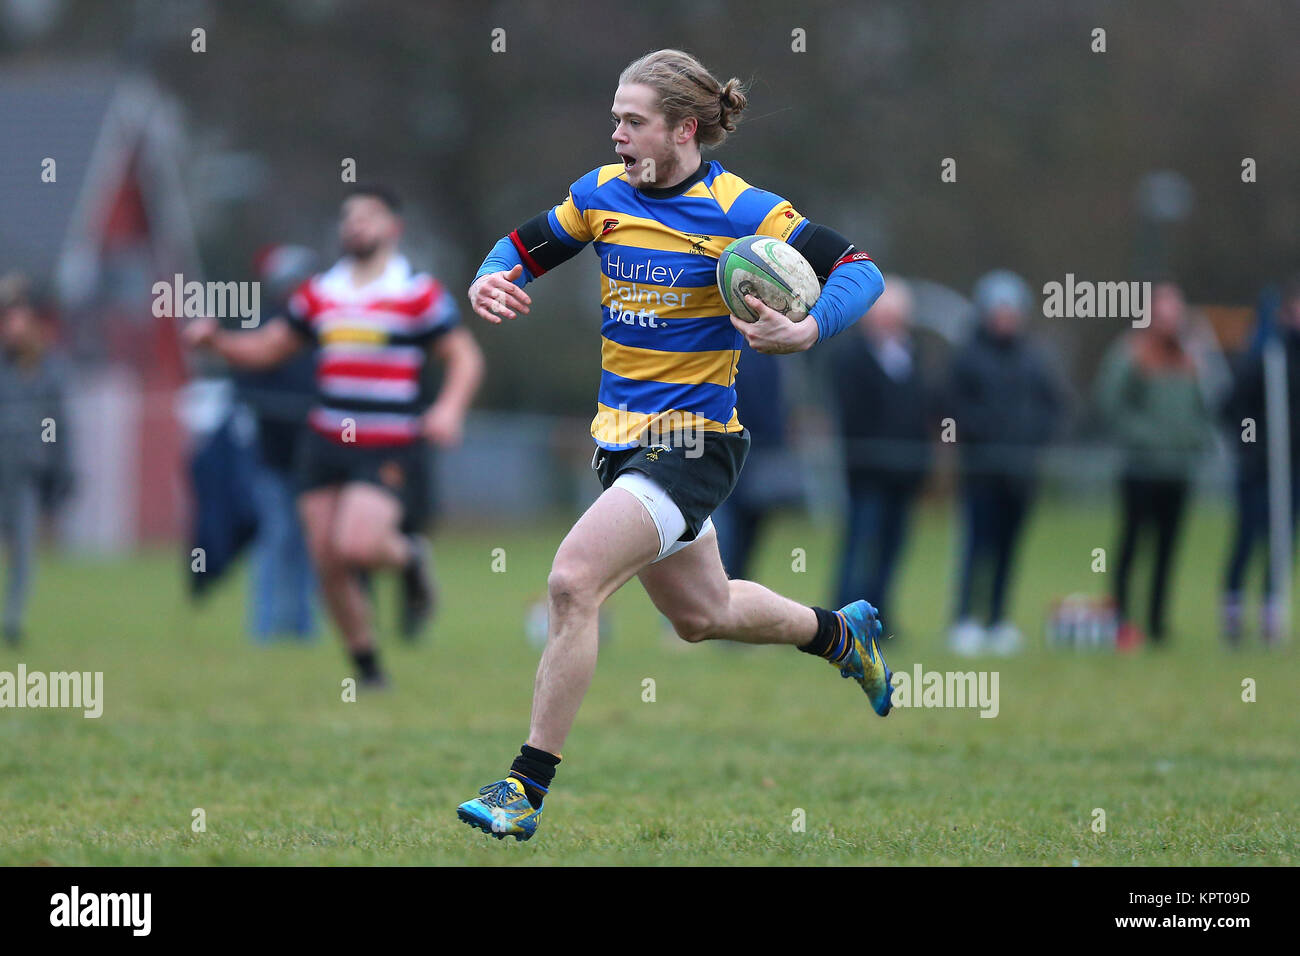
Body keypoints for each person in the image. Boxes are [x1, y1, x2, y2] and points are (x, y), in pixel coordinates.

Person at [456, 49, 890, 843]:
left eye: (632, 120)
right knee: (704, 614)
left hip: (695, 443)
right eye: (614, 117)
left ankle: (524, 786)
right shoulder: (601, 195)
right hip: (618, 444)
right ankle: (840, 634)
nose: (615, 132)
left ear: (683, 130)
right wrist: (490, 276)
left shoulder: (743, 208)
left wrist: (808, 326)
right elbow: (522, 246)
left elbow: (861, 270)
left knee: (571, 582)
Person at [184, 185, 485, 686]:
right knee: (326, 556)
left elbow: (464, 356)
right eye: (348, 217)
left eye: (368, 216)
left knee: (357, 545)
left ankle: (410, 558)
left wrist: (450, 409)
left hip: (387, 443)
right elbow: (269, 349)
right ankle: (367, 667)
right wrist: (218, 342)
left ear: (394, 228)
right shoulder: (321, 292)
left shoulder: (416, 292)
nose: (355, 225)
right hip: (325, 442)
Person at [947, 270, 1066, 656]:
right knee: (975, 547)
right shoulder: (967, 357)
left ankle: (998, 620)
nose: (1005, 317)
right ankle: (965, 620)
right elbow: (953, 409)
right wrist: (984, 435)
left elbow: (1055, 406)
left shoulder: (1034, 359)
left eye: (1011, 310)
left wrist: (1033, 440)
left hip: (1021, 475)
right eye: (999, 309)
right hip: (980, 472)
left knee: (1007, 550)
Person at [1094, 282, 1214, 647]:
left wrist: (1195, 438)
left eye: (1174, 311)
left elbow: (1202, 408)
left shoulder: (1190, 356)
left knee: (1168, 550)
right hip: (1141, 469)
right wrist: (1148, 438)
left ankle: (1159, 624)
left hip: (1178, 471)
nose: (1169, 319)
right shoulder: (1130, 353)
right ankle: (1120, 622)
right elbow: (1110, 405)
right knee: (1132, 545)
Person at [829, 277, 932, 627]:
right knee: (858, 546)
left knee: (892, 549)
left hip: (905, 474)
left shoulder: (913, 356)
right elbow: (852, 415)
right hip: (867, 473)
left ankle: (880, 614)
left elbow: (924, 411)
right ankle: (842, 617)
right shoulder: (851, 357)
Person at [235, 245, 321, 643]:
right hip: (272, 460)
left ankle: (304, 629)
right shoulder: (264, 328)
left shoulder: (323, 330)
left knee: (311, 549)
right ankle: (265, 629)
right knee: (273, 542)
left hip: (314, 463)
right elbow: (246, 387)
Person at [1221, 275, 1300, 646]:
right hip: (1258, 468)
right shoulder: (1265, 354)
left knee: (1283, 542)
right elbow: (1237, 408)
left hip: (1294, 468)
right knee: (1248, 536)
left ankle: (1273, 611)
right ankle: (1234, 611)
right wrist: (1253, 443)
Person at [0, 276, 73, 646]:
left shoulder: (48, 372)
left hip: (26, 474)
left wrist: (58, 476)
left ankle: (12, 620)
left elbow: (56, 428)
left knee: (23, 551)